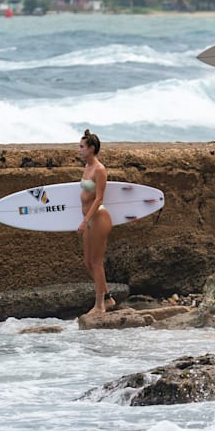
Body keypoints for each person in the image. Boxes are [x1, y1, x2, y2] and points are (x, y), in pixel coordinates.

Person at [77, 129, 115, 315]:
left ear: (92, 148)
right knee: (88, 262)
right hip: (89, 219)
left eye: (82, 147)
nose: (79, 150)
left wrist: (85, 221)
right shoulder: (86, 167)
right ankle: (108, 299)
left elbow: (99, 198)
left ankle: (99, 306)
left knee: (96, 262)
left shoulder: (100, 170)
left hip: (98, 218)